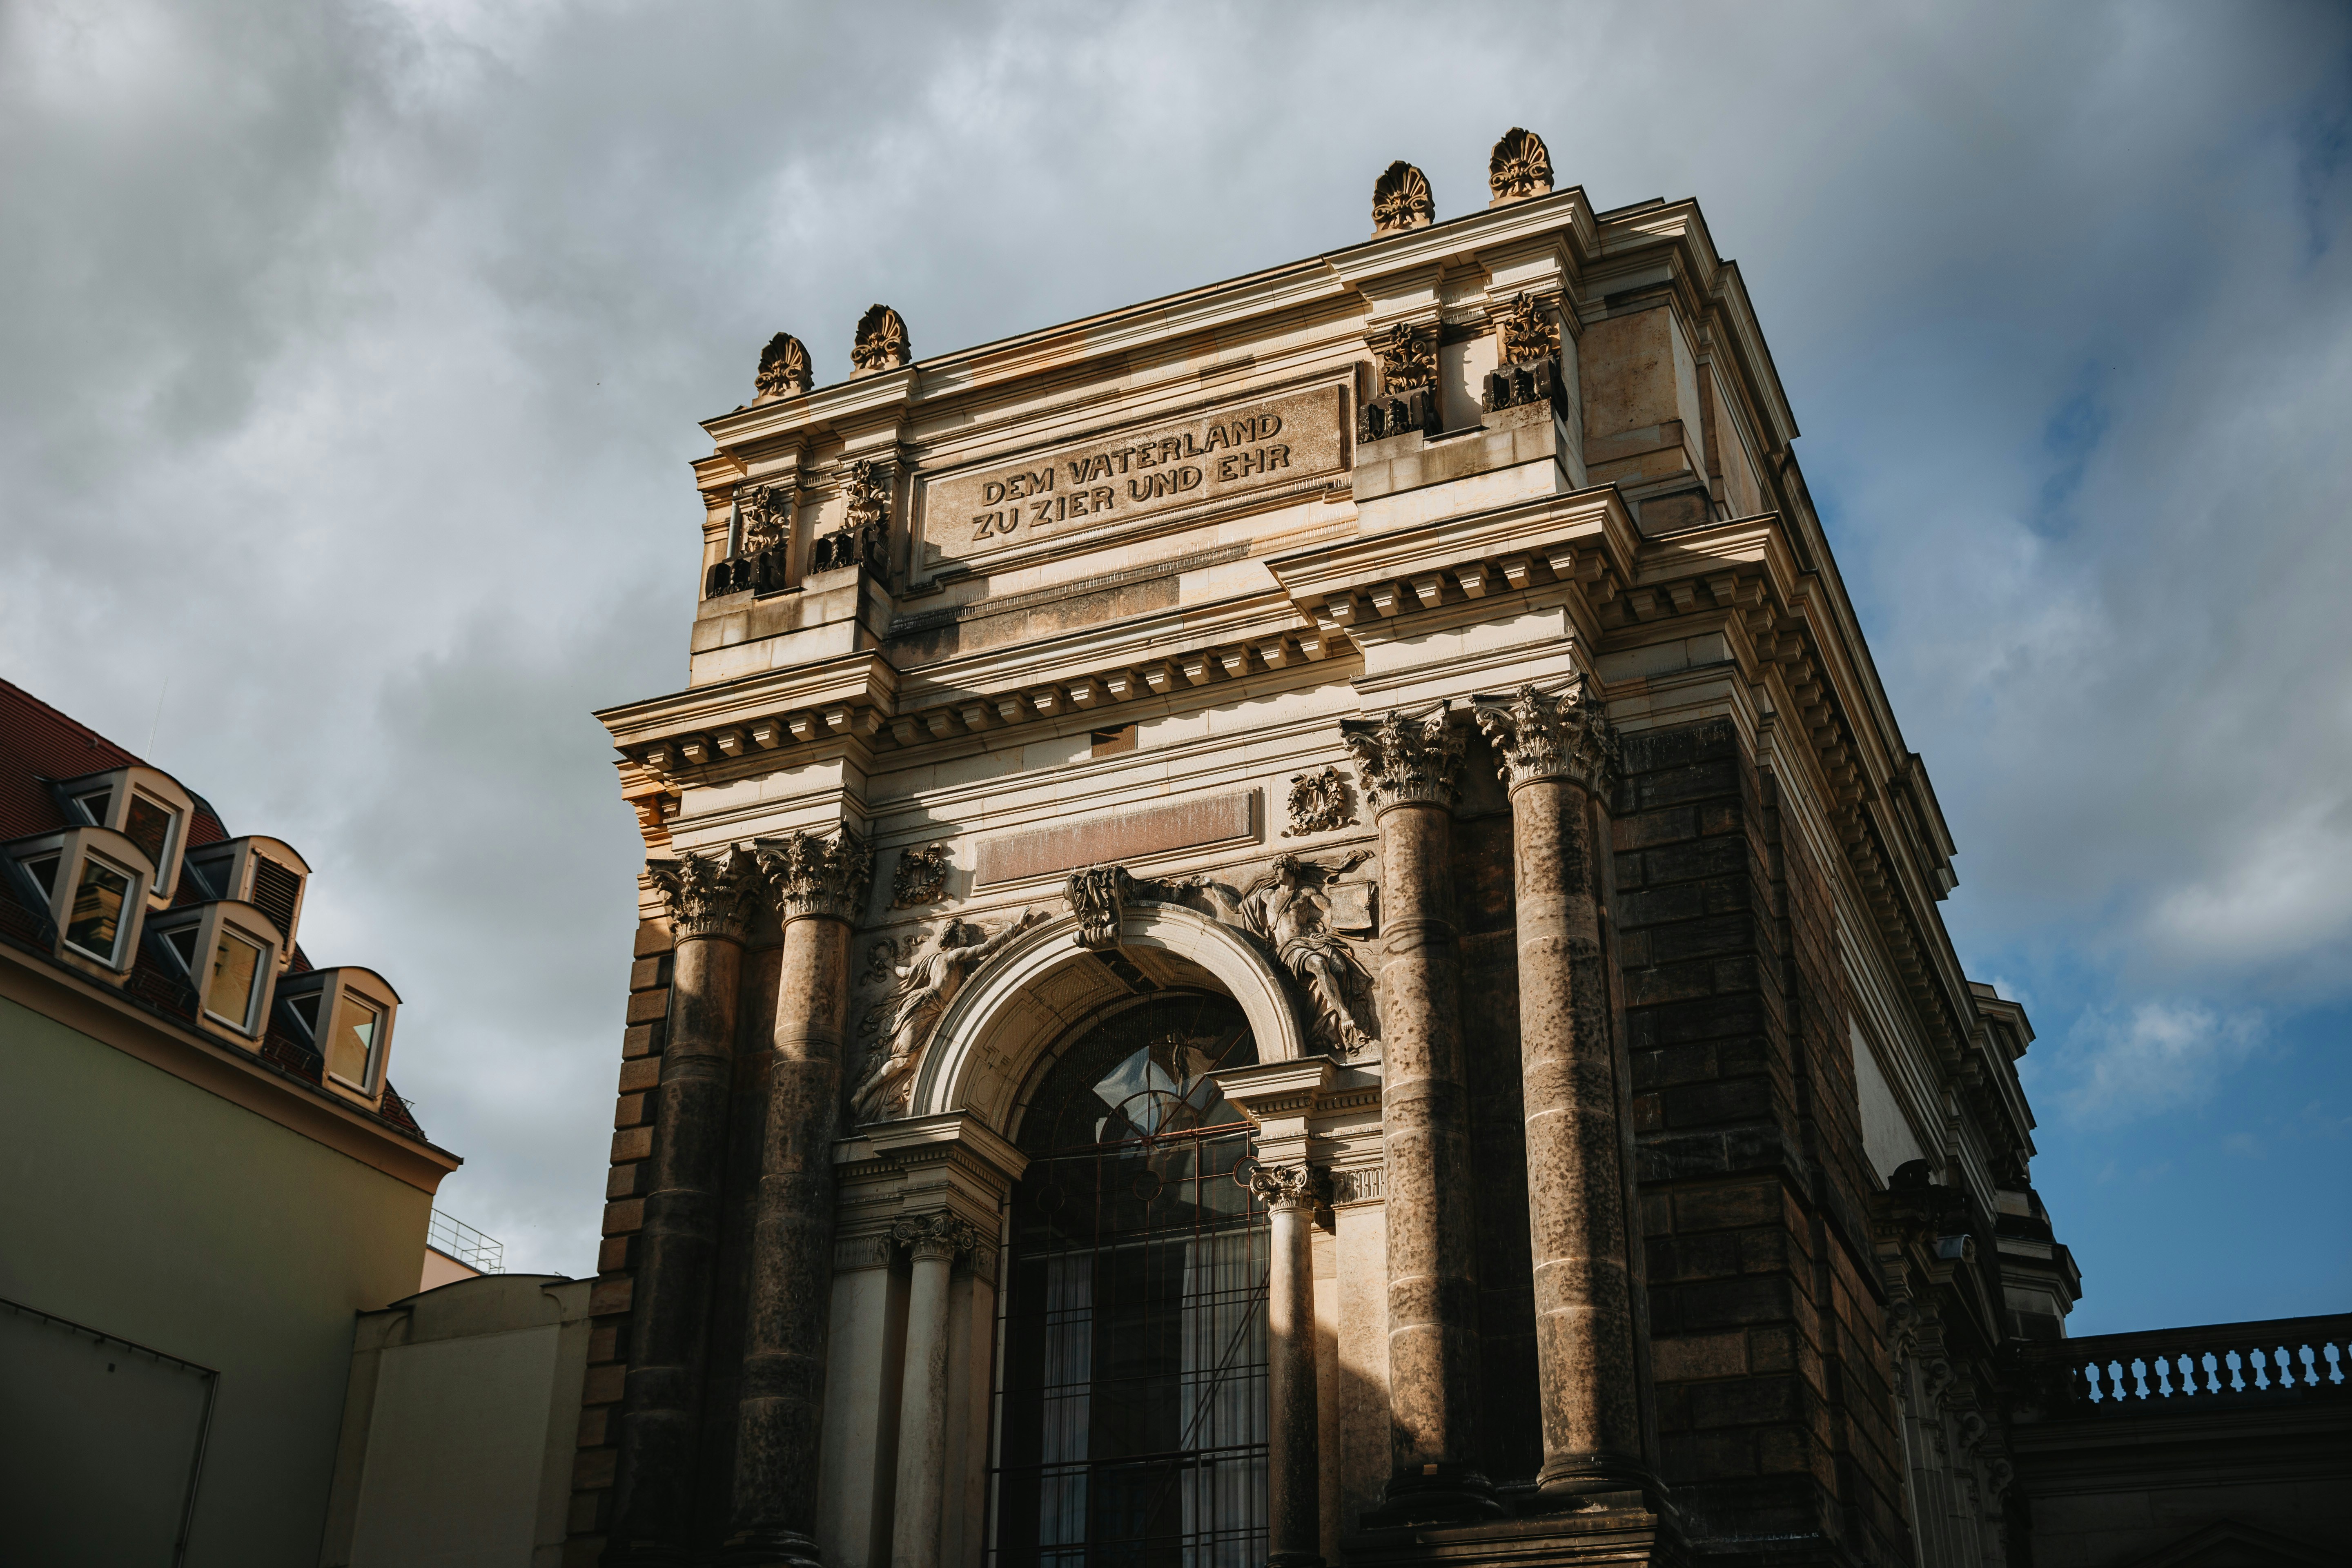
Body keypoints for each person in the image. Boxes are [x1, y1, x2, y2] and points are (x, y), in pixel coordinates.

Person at [849, 909, 1043, 1121]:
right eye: (964, 933)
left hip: (934, 1009)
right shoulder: (953, 955)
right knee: (904, 1060)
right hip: (924, 1006)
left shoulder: (932, 960)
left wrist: (891, 965)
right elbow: (984, 948)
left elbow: (905, 972)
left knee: (909, 1061)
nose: (966, 937)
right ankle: (865, 1091)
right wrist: (1015, 927)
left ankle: (871, 1090)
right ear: (954, 937)